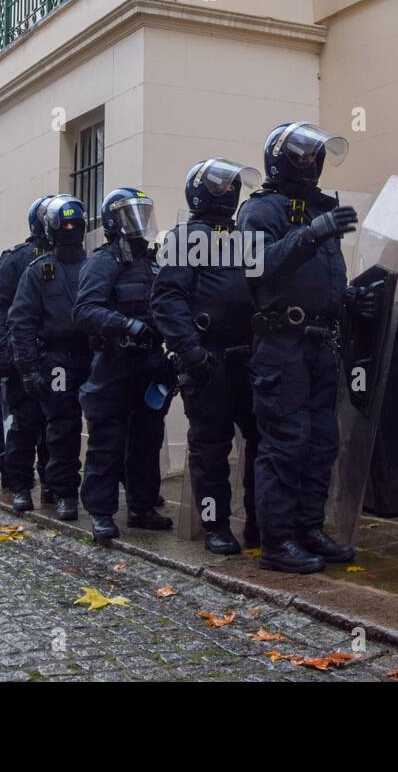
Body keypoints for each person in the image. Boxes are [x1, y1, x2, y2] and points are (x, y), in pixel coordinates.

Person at [237, 122, 375, 574]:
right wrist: (312, 232)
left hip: (320, 343)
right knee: (286, 442)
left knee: (321, 442)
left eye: (316, 155)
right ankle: (276, 541)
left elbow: (324, 281)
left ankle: (307, 528)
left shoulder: (319, 210)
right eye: (301, 155)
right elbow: (259, 267)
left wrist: (352, 298)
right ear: (278, 159)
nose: (311, 163)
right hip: (281, 344)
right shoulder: (261, 210)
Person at [152, 159, 263, 555]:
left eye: (232, 185)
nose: (229, 192)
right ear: (200, 191)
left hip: (248, 358)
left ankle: (259, 522)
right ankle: (215, 525)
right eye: (220, 185)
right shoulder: (184, 239)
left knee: (262, 440)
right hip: (208, 359)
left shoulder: (243, 237)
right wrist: (191, 350)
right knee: (211, 448)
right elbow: (167, 299)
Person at [74, 187, 174, 540]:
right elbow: (85, 311)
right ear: (115, 221)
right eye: (133, 215)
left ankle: (142, 507)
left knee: (148, 440)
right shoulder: (104, 261)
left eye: (144, 214)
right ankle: (101, 512)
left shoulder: (153, 261)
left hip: (150, 363)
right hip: (115, 363)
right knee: (107, 441)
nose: (140, 222)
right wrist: (124, 324)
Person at [7, 196, 93, 519]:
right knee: (62, 427)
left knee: (104, 426)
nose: (71, 230)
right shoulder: (39, 270)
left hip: (93, 355)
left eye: (75, 224)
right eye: (65, 225)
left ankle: (104, 496)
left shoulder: (94, 265)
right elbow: (21, 321)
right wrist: (28, 368)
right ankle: (64, 493)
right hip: (57, 359)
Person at [0, 195, 56, 499]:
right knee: (24, 425)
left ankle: (53, 484)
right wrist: (2, 351)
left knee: (56, 426)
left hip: (57, 356)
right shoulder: (18, 258)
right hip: (23, 356)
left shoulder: (71, 257)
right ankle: (21, 486)